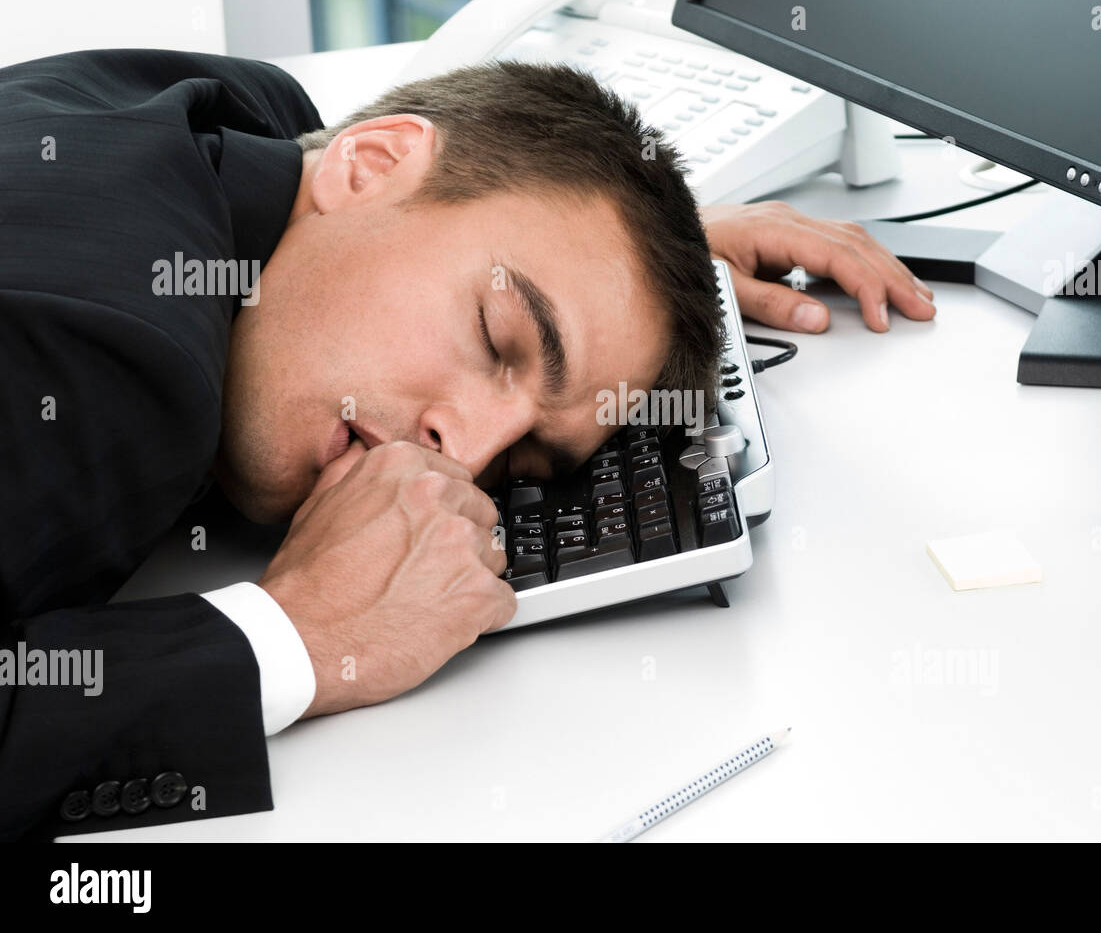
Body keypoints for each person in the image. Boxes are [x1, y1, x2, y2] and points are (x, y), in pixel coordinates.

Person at [0, 48, 934, 839]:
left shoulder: (239, 121)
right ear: (367, 165)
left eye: (523, 459)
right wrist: (299, 634)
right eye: (499, 334)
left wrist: (633, 269)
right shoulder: (122, 365)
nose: (465, 448)